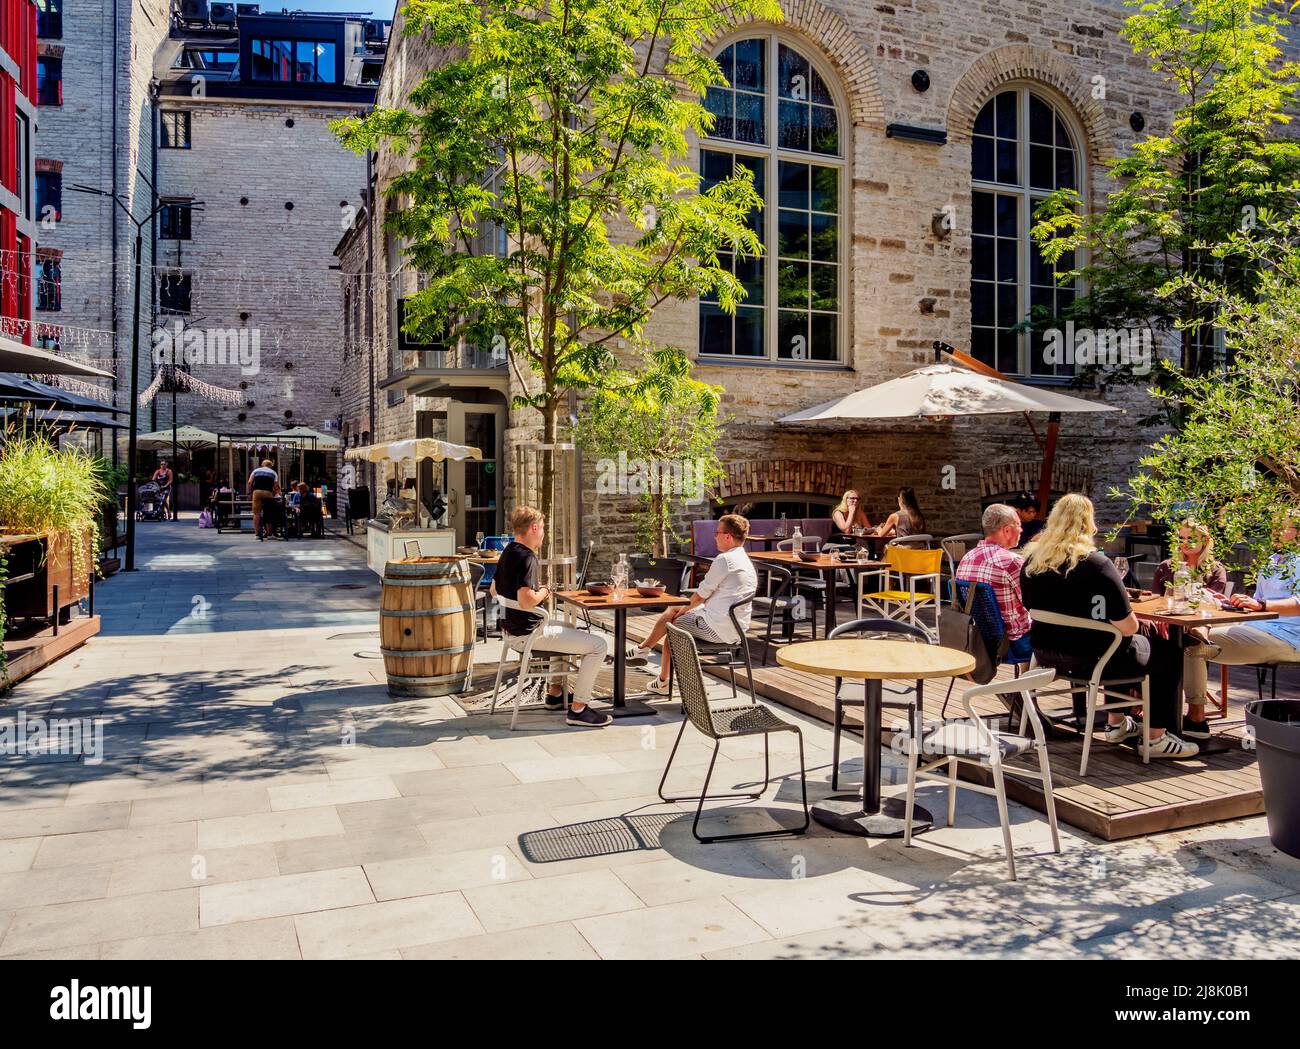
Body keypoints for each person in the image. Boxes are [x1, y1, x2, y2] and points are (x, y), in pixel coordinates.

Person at [1020, 494, 1198, 759]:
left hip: (1046, 654)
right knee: (1166, 653)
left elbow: (1029, 605)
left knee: (1124, 645)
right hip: (1092, 660)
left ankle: (1117, 724)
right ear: (1088, 524)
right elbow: (1128, 626)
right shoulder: (1096, 565)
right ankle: (1155, 738)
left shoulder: (1032, 564)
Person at [491, 505, 611, 728]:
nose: (544, 534)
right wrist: (545, 591)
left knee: (568, 626)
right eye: (543, 529)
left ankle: (555, 693)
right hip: (529, 634)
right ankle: (579, 709)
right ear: (534, 528)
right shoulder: (527, 557)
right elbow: (527, 600)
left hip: (511, 631)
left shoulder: (508, 551)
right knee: (599, 645)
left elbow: (493, 590)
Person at [1184, 510, 1300, 732]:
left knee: (1191, 642)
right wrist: (1233, 605)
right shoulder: (1272, 561)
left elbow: (1292, 602)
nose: (1274, 532)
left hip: (1287, 635)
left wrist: (1262, 605)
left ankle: (1196, 719)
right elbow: (1257, 603)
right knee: (1182, 632)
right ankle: (1147, 713)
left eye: (1282, 527)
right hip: (1257, 626)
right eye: (1274, 526)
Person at [632, 514, 758, 695]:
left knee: (673, 626)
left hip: (717, 627)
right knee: (676, 614)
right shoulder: (744, 559)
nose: (714, 536)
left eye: (717, 532)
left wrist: (682, 612)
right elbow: (706, 596)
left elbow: (700, 597)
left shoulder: (725, 560)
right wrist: (683, 610)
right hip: (737, 627)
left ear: (727, 536)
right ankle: (650, 661)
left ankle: (649, 658)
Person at [1147, 521, 1229, 740]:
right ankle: (1140, 706)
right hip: (1168, 623)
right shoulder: (1167, 566)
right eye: (1181, 539)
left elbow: (1211, 605)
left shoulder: (1215, 569)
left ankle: (1196, 716)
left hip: (1202, 624)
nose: (1185, 543)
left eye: (1190, 538)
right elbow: (1154, 601)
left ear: (1205, 541)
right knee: (1145, 639)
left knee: (1192, 646)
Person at [955, 503, 1032, 664]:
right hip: (1014, 644)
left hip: (978, 639)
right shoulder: (1012, 562)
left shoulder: (966, 559)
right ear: (1006, 530)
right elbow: (1033, 603)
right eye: (1019, 525)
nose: (1022, 530)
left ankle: (1022, 687)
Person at [247, 459, 280, 541]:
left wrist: (249, 492)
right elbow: (276, 486)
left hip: (257, 492)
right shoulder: (274, 473)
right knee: (269, 512)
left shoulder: (256, 471)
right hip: (268, 492)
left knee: (256, 513)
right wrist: (278, 493)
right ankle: (269, 532)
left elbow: (249, 482)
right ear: (271, 465)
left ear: (262, 464)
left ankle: (257, 533)